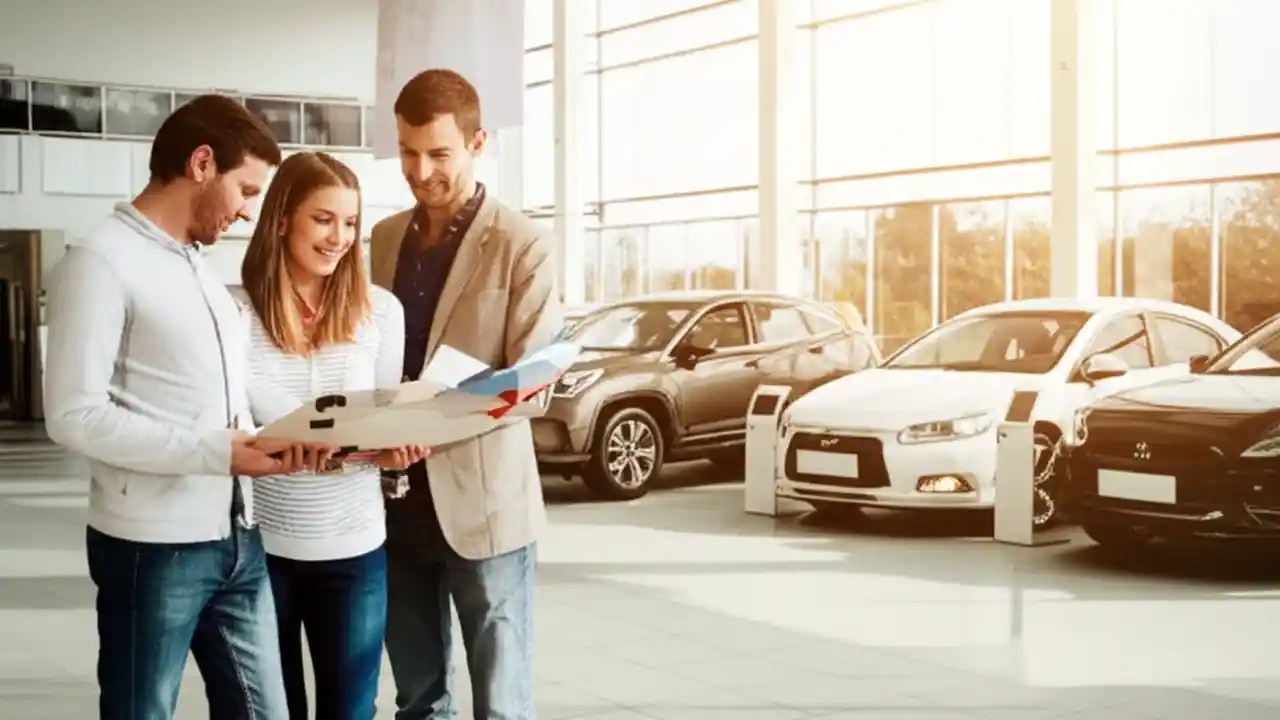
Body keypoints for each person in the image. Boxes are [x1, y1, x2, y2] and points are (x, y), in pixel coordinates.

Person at [43, 94, 330, 720]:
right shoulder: (99, 262)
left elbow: (233, 386)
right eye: (246, 190)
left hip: (237, 539)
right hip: (152, 549)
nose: (249, 211)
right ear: (202, 164)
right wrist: (218, 452)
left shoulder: (199, 267)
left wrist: (327, 426)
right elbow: (72, 414)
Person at [369, 68, 564, 719]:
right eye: (407, 151)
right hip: (395, 504)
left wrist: (430, 413)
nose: (420, 171)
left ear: (478, 143)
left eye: (438, 153)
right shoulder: (383, 240)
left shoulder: (523, 243)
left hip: (486, 509)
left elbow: (534, 382)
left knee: (501, 705)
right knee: (418, 700)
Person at [234, 150, 428, 720]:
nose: (339, 238)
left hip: (354, 548)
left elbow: (382, 419)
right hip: (262, 551)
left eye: (350, 223)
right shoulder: (234, 312)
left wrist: (398, 449)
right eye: (323, 219)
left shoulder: (381, 312)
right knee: (273, 711)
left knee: (351, 712)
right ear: (281, 220)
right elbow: (231, 424)